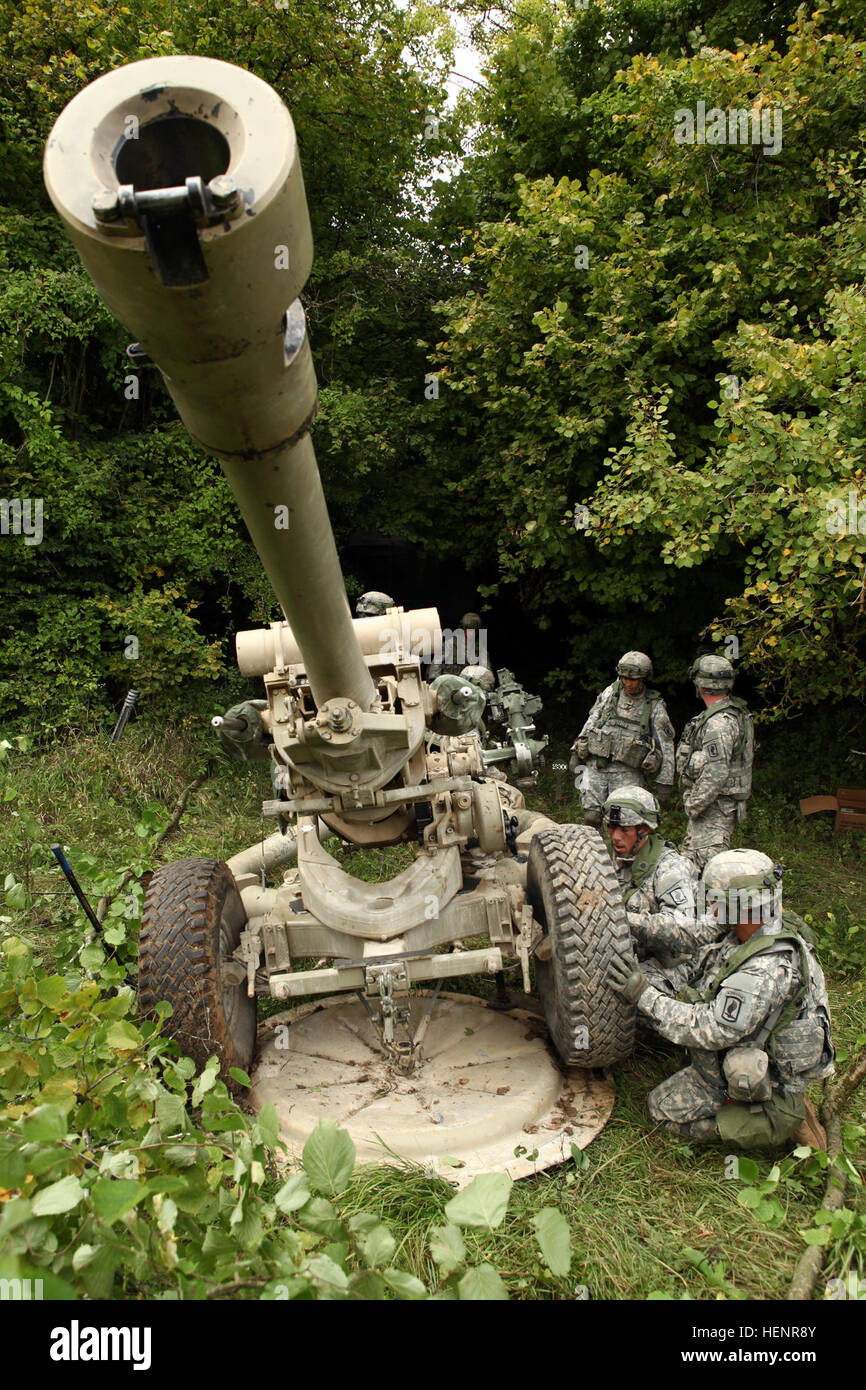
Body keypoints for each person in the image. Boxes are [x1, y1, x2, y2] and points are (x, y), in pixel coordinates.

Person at [607, 849, 834, 1150]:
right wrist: (626, 918)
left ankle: (756, 1118)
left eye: (715, 899)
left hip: (751, 1068)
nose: (710, 906)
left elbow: (711, 1029)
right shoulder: (755, 924)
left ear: (740, 904)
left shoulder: (763, 973)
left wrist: (644, 996)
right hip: (741, 1035)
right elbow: (689, 933)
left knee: (660, 1109)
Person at [602, 786, 706, 973]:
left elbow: (682, 930)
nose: (615, 837)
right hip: (619, 954)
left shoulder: (671, 868)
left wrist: (621, 918)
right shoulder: (604, 856)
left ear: (644, 830)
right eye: (611, 827)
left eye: (624, 830)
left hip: (664, 965)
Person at [570, 652, 675, 827]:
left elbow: (666, 745)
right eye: (624, 678)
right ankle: (595, 851)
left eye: (633, 679)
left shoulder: (654, 705)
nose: (627, 683)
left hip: (628, 772)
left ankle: (618, 854)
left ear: (644, 678)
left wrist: (665, 782)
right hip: (597, 765)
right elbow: (592, 721)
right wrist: (576, 750)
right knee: (591, 818)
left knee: (619, 821)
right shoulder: (611, 693)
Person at [677, 655, 754, 871]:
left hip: (714, 810)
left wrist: (693, 805)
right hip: (717, 808)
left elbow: (716, 772)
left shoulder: (718, 724)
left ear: (701, 685)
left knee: (705, 871)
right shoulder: (732, 714)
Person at [428, 611, 491, 681]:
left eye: (474, 631)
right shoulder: (450, 644)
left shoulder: (480, 648)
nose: (472, 633)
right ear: (463, 629)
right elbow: (436, 663)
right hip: (449, 683)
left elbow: (486, 670)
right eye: (470, 630)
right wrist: (435, 680)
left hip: (468, 686)